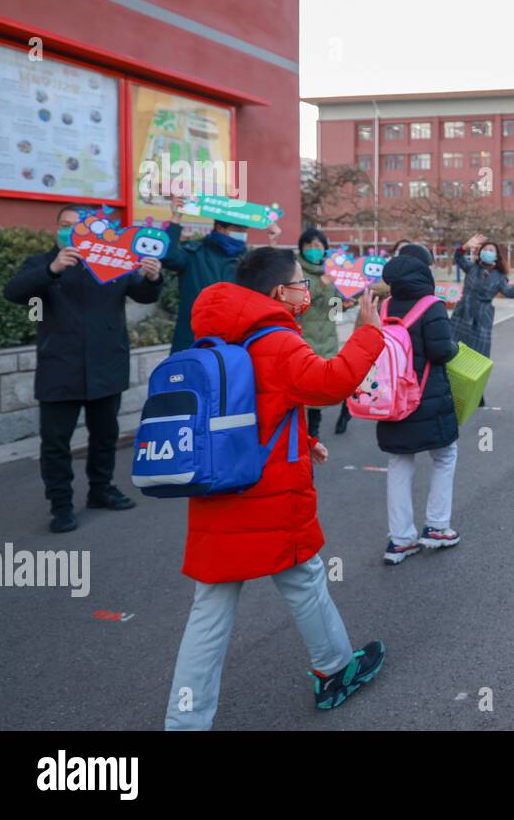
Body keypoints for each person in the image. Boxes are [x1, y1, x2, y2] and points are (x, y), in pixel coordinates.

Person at [164, 247, 387, 730]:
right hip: (271, 498)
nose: (305, 292)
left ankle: (185, 721)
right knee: (305, 580)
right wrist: (368, 331)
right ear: (277, 293)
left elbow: (250, 412)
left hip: (218, 494)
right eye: (298, 284)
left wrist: (303, 440)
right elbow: (332, 383)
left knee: (210, 612)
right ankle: (333, 671)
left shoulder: (216, 340)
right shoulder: (276, 342)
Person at [3, 204, 164, 532]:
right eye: (65, 225)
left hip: (107, 365)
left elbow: (143, 294)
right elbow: (15, 292)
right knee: (55, 442)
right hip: (59, 368)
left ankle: (101, 490)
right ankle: (61, 505)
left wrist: (152, 277)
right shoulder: (42, 263)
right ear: (57, 229)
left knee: (105, 436)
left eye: (79, 225)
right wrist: (53, 268)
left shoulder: (110, 262)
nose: (72, 230)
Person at [376, 247, 462, 562]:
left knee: (399, 462)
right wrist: (454, 346)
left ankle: (400, 540)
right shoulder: (431, 306)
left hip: (391, 398)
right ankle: (437, 527)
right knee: (445, 455)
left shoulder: (385, 306)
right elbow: (442, 352)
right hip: (428, 397)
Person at [162, 201, 280, 353]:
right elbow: (167, 257)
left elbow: (269, 284)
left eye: (245, 229)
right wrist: (176, 218)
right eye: (237, 228)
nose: (242, 233)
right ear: (220, 228)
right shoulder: (195, 253)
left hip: (233, 346)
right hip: (193, 343)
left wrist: (272, 241)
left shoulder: (247, 261)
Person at [451, 234, 514, 405]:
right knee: (453, 349)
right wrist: (465, 246)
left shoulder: (500, 277)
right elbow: (458, 257)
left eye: (491, 250)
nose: (487, 252)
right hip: (463, 312)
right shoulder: (471, 267)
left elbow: (510, 293)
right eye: (485, 249)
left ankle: (475, 394)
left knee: (478, 355)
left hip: (483, 316)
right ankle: (451, 390)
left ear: (497, 256)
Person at [296, 228, 350, 439]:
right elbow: (299, 303)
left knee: (325, 384)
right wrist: (321, 284)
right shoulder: (297, 270)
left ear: (325, 249)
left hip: (327, 338)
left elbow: (334, 312)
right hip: (304, 337)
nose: (312, 250)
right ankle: (311, 429)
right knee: (307, 386)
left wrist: (344, 305)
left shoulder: (332, 272)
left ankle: (340, 415)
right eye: (308, 245)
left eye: (317, 246)